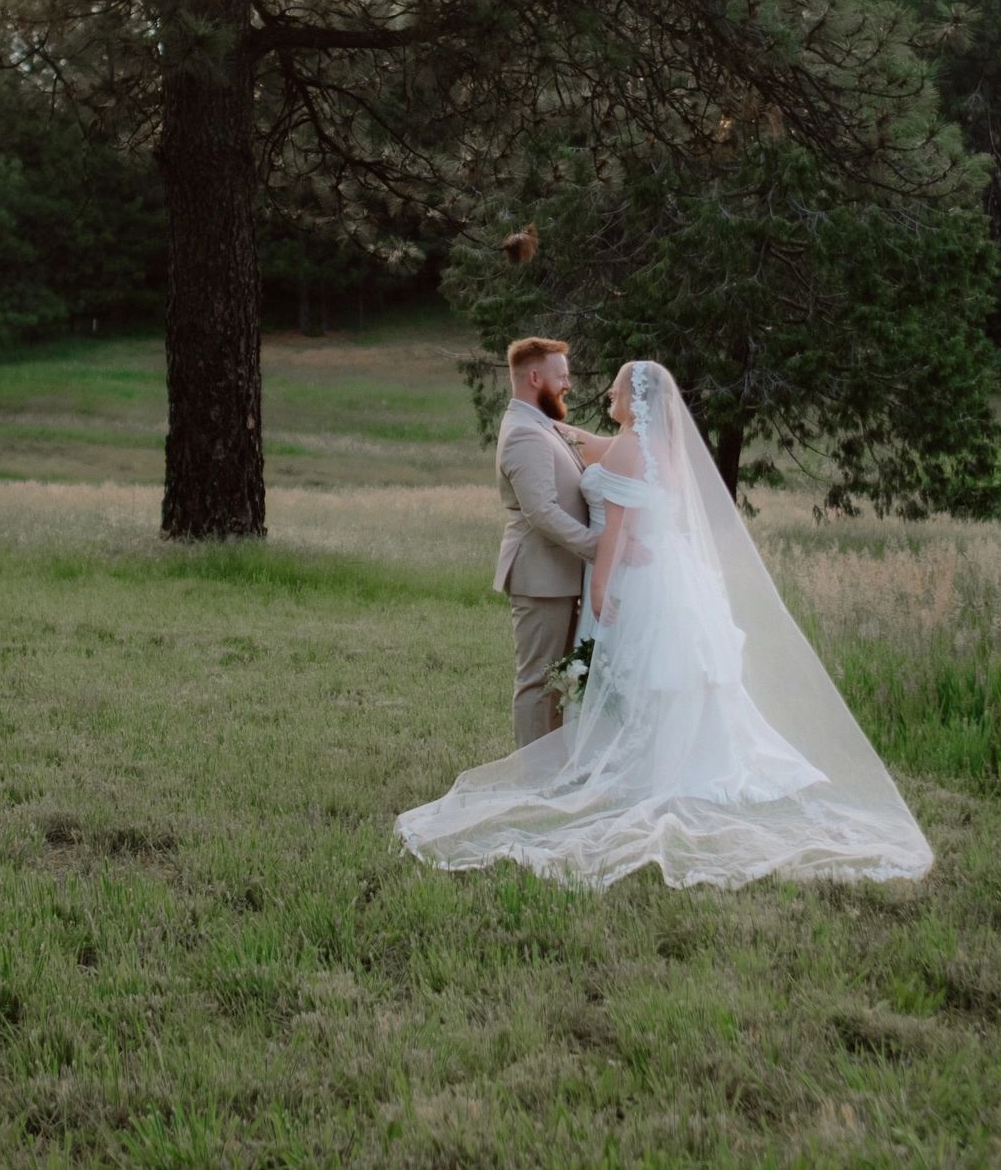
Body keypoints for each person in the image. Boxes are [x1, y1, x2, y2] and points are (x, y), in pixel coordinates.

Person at [399, 359, 933, 888]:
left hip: (628, 576)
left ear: (638, 399)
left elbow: (616, 529)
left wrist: (603, 585)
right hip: (667, 576)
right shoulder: (655, 448)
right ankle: (660, 760)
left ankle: (623, 770)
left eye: (617, 388)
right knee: (659, 673)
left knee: (628, 669)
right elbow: (594, 445)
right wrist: (550, 424)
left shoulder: (631, 448)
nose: (607, 391)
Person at [491, 337, 599, 748]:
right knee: (538, 681)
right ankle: (532, 780)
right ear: (535, 378)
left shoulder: (541, 424)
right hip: (539, 575)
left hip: (558, 574)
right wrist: (599, 548)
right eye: (562, 377)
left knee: (558, 679)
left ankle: (550, 771)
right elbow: (541, 512)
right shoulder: (524, 433)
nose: (567, 384)